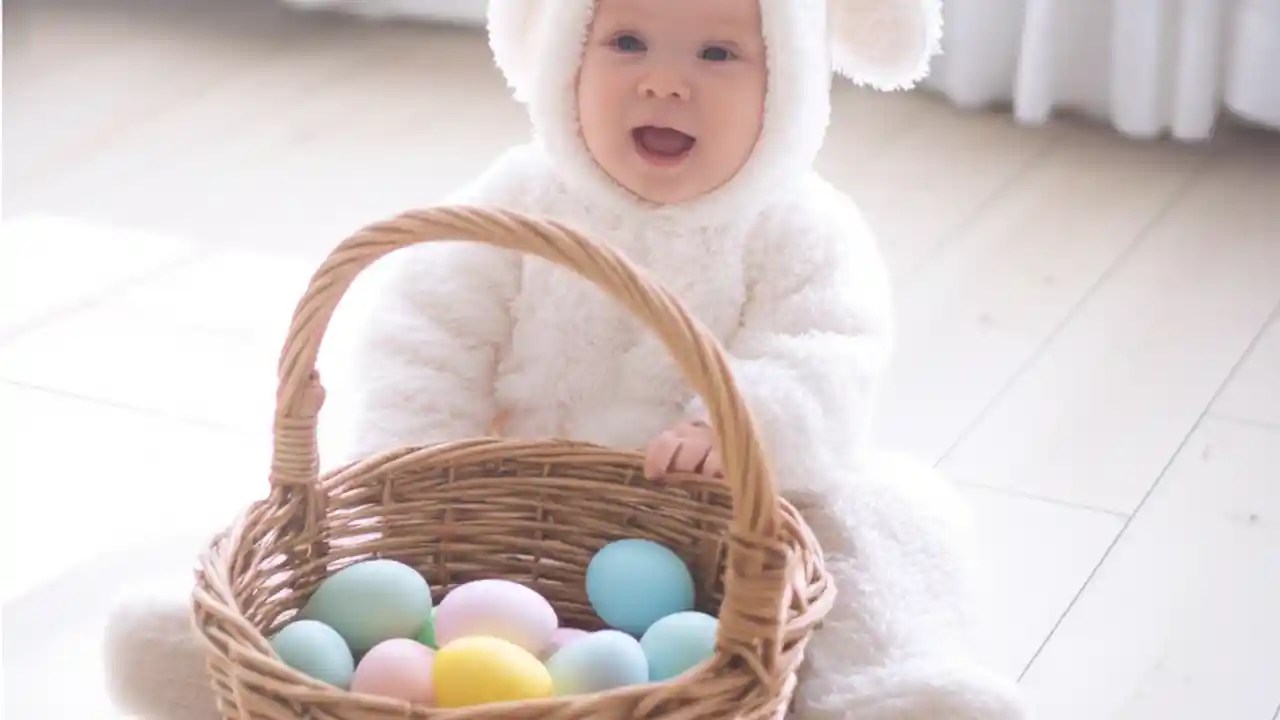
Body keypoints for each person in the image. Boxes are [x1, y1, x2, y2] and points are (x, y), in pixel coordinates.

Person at [107, 1, 1027, 716]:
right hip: (515, 524)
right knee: (356, 562)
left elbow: (830, 350)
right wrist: (420, 472)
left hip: (724, 525)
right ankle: (256, 668)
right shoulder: (519, 199)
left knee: (883, 522)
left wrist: (739, 424)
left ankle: (884, 688)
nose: (665, 83)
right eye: (627, 41)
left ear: (788, 82)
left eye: (717, 53)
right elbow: (428, 328)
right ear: (563, 52)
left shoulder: (801, 226)